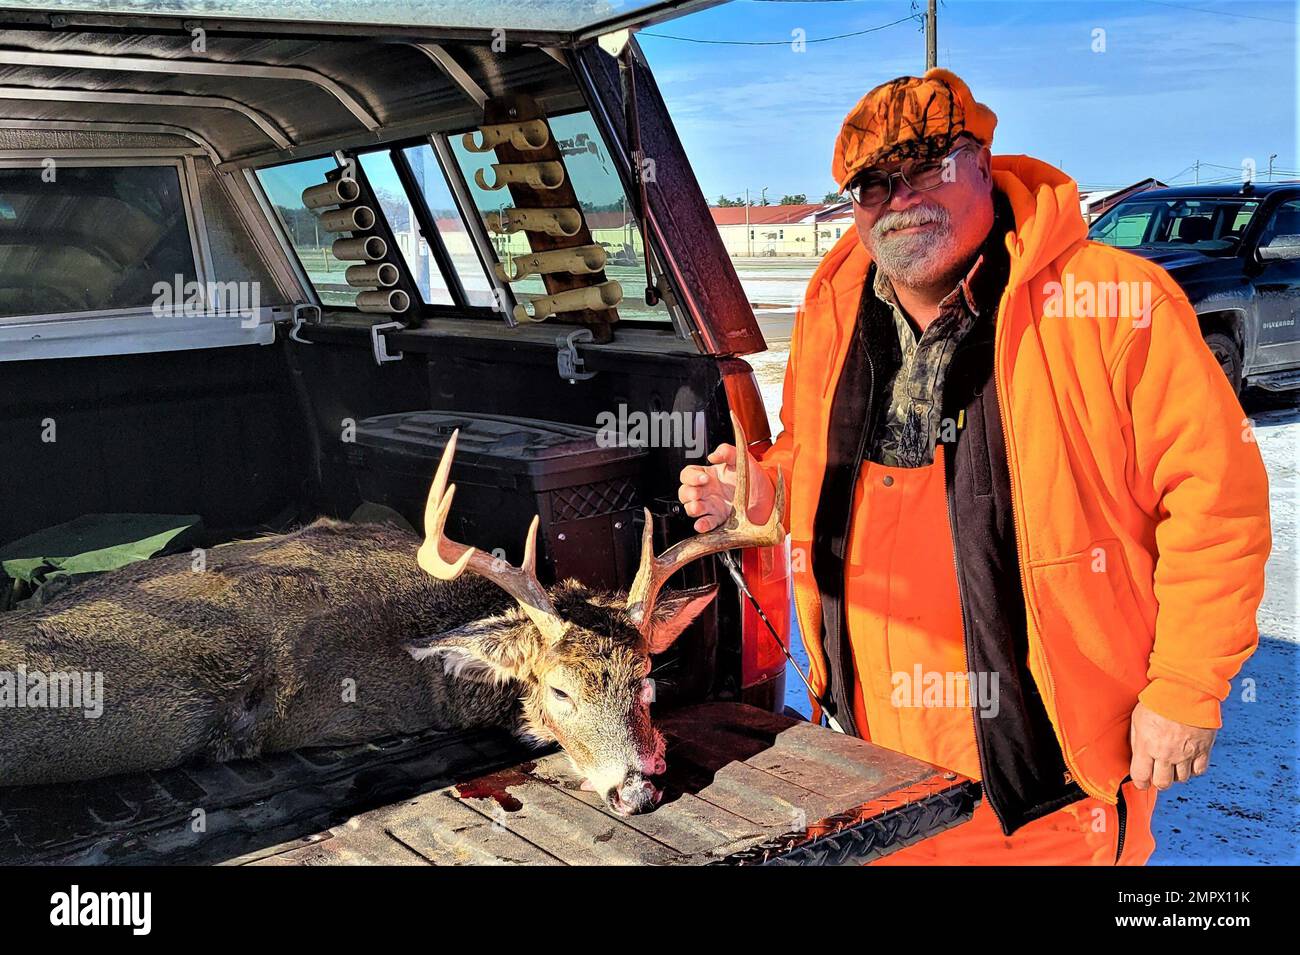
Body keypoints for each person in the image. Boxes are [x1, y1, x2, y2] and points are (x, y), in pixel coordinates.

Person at [679, 69, 1271, 864]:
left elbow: (1218, 506)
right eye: (873, 185)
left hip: (1046, 787)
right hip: (869, 764)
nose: (899, 197)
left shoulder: (1115, 305)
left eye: (927, 165)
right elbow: (814, 462)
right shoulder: (836, 313)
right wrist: (758, 489)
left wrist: (1187, 690)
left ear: (983, 162)